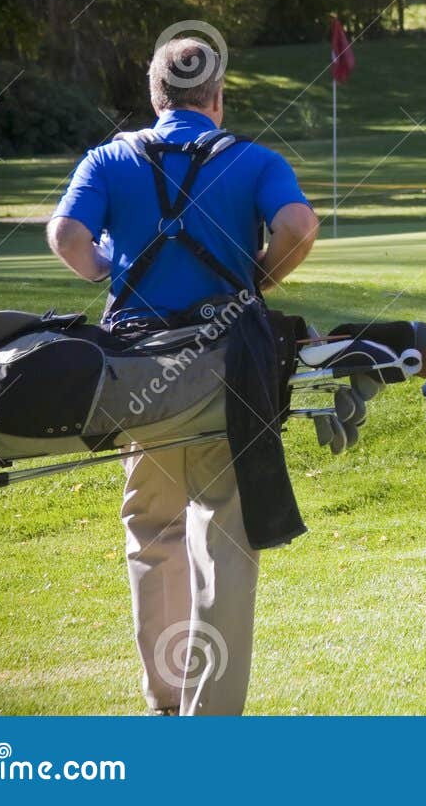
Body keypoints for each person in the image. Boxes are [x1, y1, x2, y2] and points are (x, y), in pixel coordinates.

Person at [47, 38, 319, 715]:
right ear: (217, 98)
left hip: (137, 372)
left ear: (155, 96)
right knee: (225, 536)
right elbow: (298, 223)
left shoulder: (110, 157)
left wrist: (108, 268)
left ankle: (164, 701)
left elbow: (65, 234)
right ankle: (212, 716)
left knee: (152, 528)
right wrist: (258, 277)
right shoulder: (255, 159)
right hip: (227, 371)